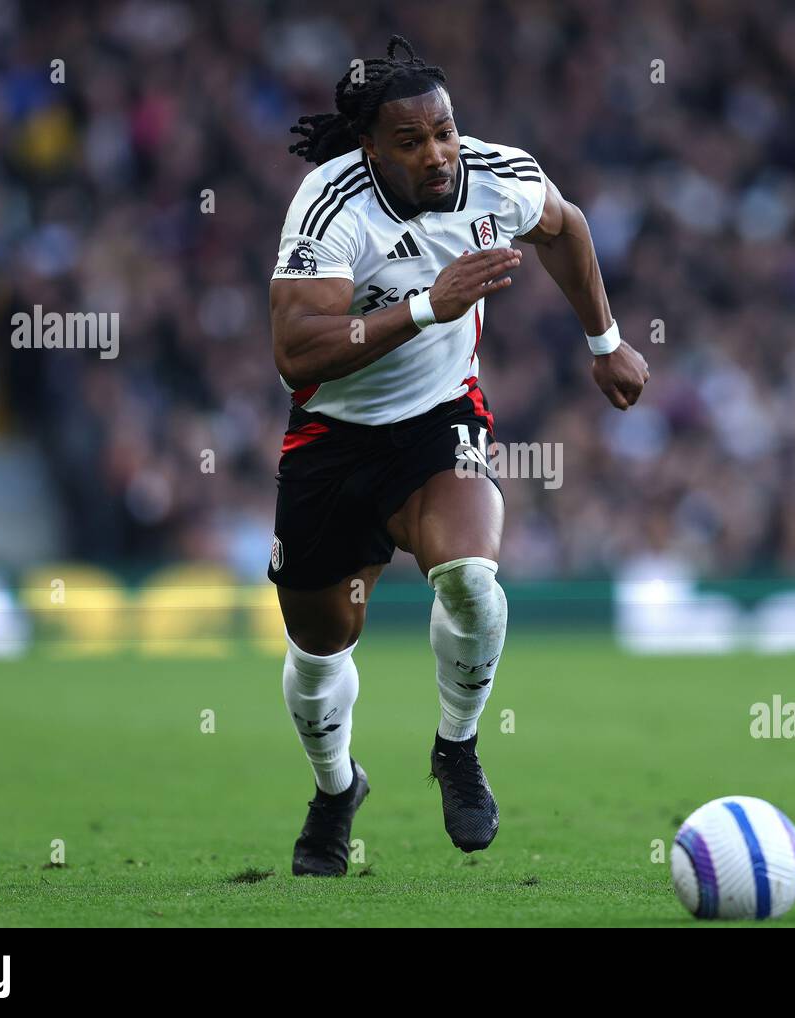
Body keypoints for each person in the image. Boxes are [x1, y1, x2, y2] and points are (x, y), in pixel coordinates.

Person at [268, 35, 649, 875]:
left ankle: (457, 748)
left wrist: (606, 341)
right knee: (319, 651)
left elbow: (567, 226)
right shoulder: (330, 207)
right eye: (411, 141)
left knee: (473, 582)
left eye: (443, 130)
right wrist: (424, 308)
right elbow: (295, 352)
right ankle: (337, 791)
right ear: (370, 147)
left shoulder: (499, 176)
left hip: (439, 422)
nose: (437, 153)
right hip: (331, 440)